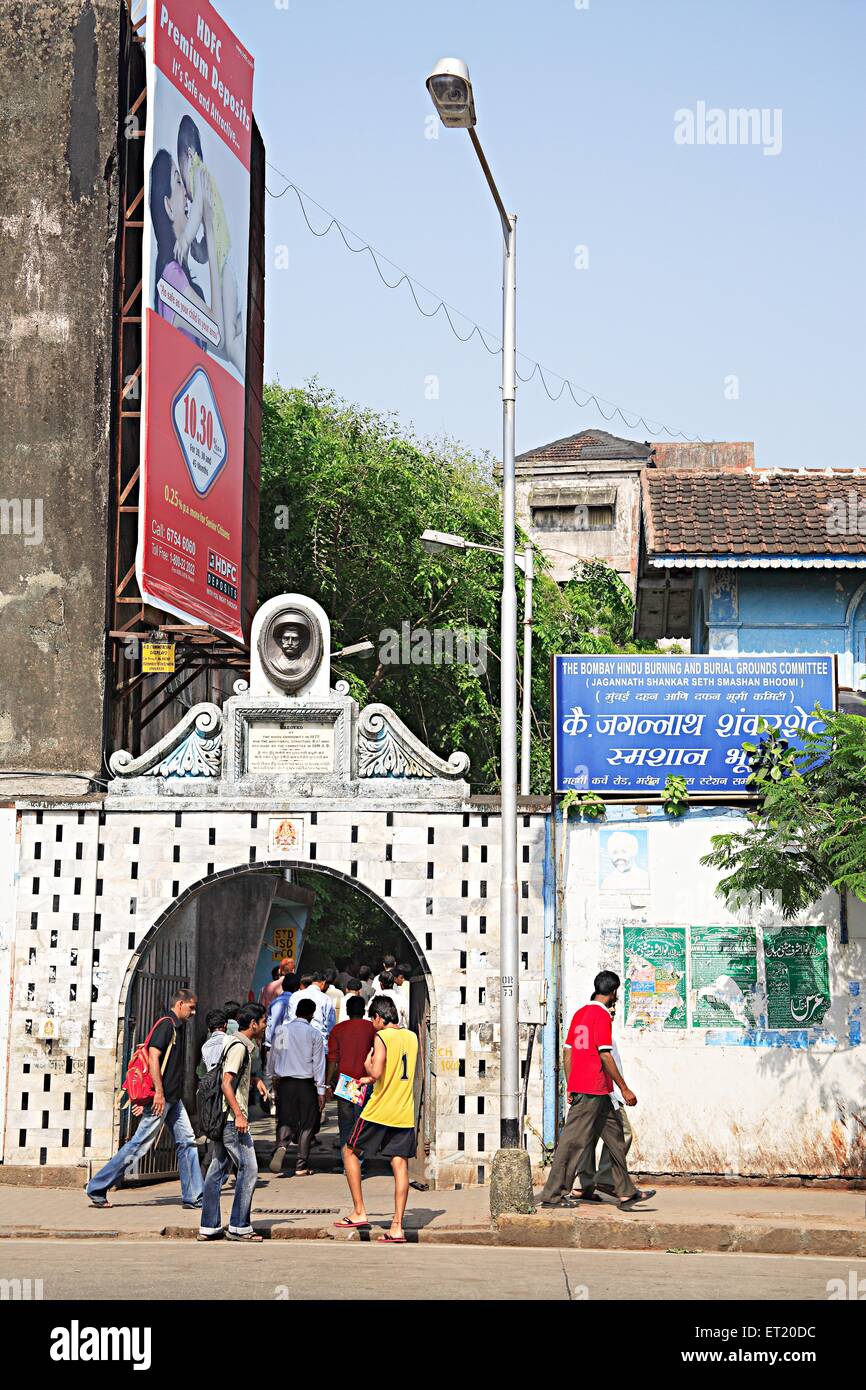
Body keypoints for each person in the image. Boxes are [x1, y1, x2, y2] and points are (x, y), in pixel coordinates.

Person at [538, 971, 655, 1212]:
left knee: (616, 1140)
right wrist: (624, 1088)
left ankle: (626, 1193)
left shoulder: (580, 1013)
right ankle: (553, 1194)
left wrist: (570, 1084)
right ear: (614, 992)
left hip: (598, 1091)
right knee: (572, 1143)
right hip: (591, 1090)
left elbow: (568, 1052)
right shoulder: (602, 1016)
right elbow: (604, 1054)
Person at [86, 989, 202, 1210]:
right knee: (139, 1145)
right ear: (180, 1004)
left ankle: (194, 1196)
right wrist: (157, 1092)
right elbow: (153, 1058)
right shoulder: (166, 1024)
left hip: (173, 1099)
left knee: (187, 1142)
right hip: (162, 1098)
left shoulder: (179, 1026)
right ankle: (97, 1187)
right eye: (191, 1007)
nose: (193, 1012)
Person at [336, 995, 418, 1242]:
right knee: (400, 1164)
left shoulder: (382, 1036)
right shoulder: (412, 1037)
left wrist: (368, 1064)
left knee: (349, 1151)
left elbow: (378, 1070)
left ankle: (359, 1210)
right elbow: (401, 1070)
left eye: (373, 1020)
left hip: (379, 1109)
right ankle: (397, 1227)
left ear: (380, 1017)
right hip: (403, 1111)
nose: (373, 1024)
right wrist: (371, 1079)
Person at [174, 115, 244, 373]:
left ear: (189, 153)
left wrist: (185, 239)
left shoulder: (198, 173)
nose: (182, 175)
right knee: (230, 342)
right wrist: (197, 249)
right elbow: (206, 246)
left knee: (226, 340)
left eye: (180, 164)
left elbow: (195, 217)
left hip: (226, 268)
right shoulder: (203, 177)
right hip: (226, 265)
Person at [198, 1003, 267, 1242]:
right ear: (254, 1024)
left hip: (224, 1118)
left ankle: (209, 1225)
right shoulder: (238, 1046)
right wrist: (239, 1114)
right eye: (263, 1021)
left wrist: (255, 1079)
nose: (265, 1025)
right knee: (249, 1170)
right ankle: (239, 1225)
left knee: (216, 1170)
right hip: (231, 1120)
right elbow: (226, 1083)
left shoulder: (234, 1043)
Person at [148, 148, 224, 352]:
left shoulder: (179, 276)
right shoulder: (172, 276)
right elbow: (217, 333)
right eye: (179, 182)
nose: (187, 194)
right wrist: (208, 224)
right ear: (169, 207)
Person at [573, 1001, 634, 1201]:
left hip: (591, 1092)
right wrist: (622, 1090)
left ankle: (583, 1185)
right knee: (622, 1132)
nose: (613, 1011)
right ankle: (606, 1179)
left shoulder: (589, 1031)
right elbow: (604, 1060)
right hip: (604, 1094)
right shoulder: (599, 1032)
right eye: (610, 1007)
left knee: (588, 1136)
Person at [266, 997, 326, 1177]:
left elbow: (274, 1056)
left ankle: (281, 1145)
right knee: (307, 1124)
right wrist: (321, 1090)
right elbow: (319, 1064)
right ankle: (301, 1165)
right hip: (306, 1083)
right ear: (311, 1014)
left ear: (297, 1011)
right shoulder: (314, 1034)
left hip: (285, 1082)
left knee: (285, 1118)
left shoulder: (283, 1030)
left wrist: (272, 1076)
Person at [326, 994, 376, 1170]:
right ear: (364, 1011)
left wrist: (327, 1082)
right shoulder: (371, 1028)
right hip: (364, 1080)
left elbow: (332, 1058)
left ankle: (347, 1162)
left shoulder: (338, 1029)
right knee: (361, 1122)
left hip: (345, 1081)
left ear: (347, 1011)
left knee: (346, 1123)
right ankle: (359, 1161)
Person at [285, 971, 336, 1049]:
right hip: (315, 1043)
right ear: (323, 983)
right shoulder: (326, 999)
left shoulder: (295, 995)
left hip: (292, 1040)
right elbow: (330, 1026)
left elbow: (287, 1019)